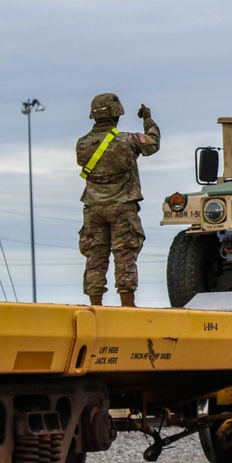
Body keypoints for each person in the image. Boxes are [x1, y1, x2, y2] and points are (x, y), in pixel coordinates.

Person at [76, 93, 160, 307]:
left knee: (95, 257)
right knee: (124, 255)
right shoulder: (128, 140)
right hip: (122, 208)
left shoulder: (82, 144)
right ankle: (127, 304)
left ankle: (95, 304)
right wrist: (148, 120)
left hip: (93, 209)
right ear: (117, 114)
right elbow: (152, 144)